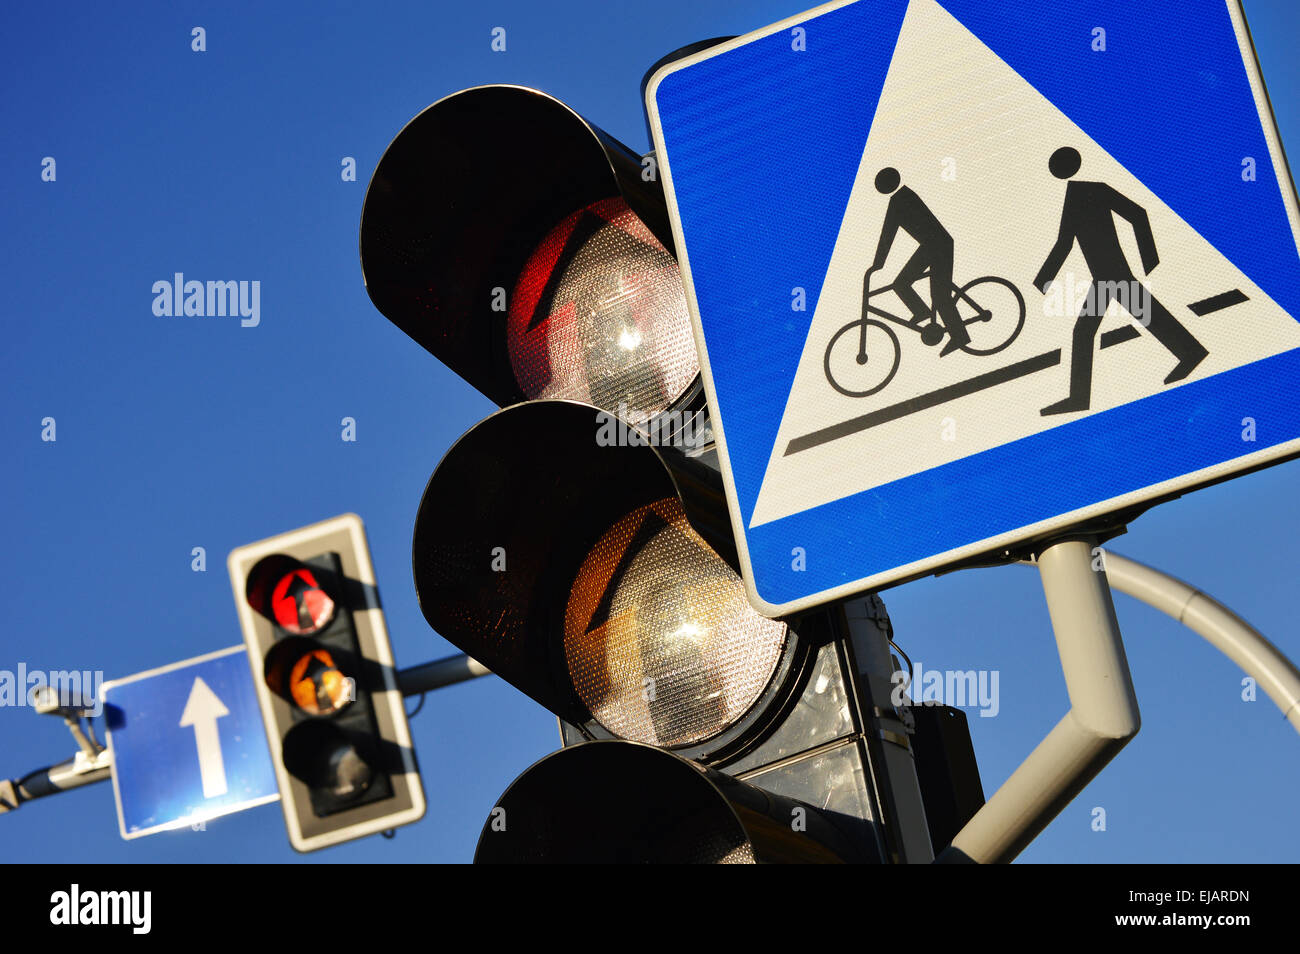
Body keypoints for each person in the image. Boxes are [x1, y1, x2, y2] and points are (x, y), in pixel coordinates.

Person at [1034, 146, 1207, 415]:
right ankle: (1190, 352)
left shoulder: (1082, 194)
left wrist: (1150, 260)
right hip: (1106, 275)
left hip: (1111, 273)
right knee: (1119, 322)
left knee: (1096, 328)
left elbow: (1135, 215)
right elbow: (1067, 242)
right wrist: (1044, 279)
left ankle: (1079, 397)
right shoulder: (1085, 192)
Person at [868, 167, 971, 356]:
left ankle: (960, 336)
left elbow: (887, 234)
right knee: (901, 283)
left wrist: (878, 264)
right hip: (931, 246)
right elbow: (887, 234)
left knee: (939, 296)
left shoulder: (900, 200)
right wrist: (878, 264)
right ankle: (922, 312)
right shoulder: (902, 197)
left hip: (938, 246)